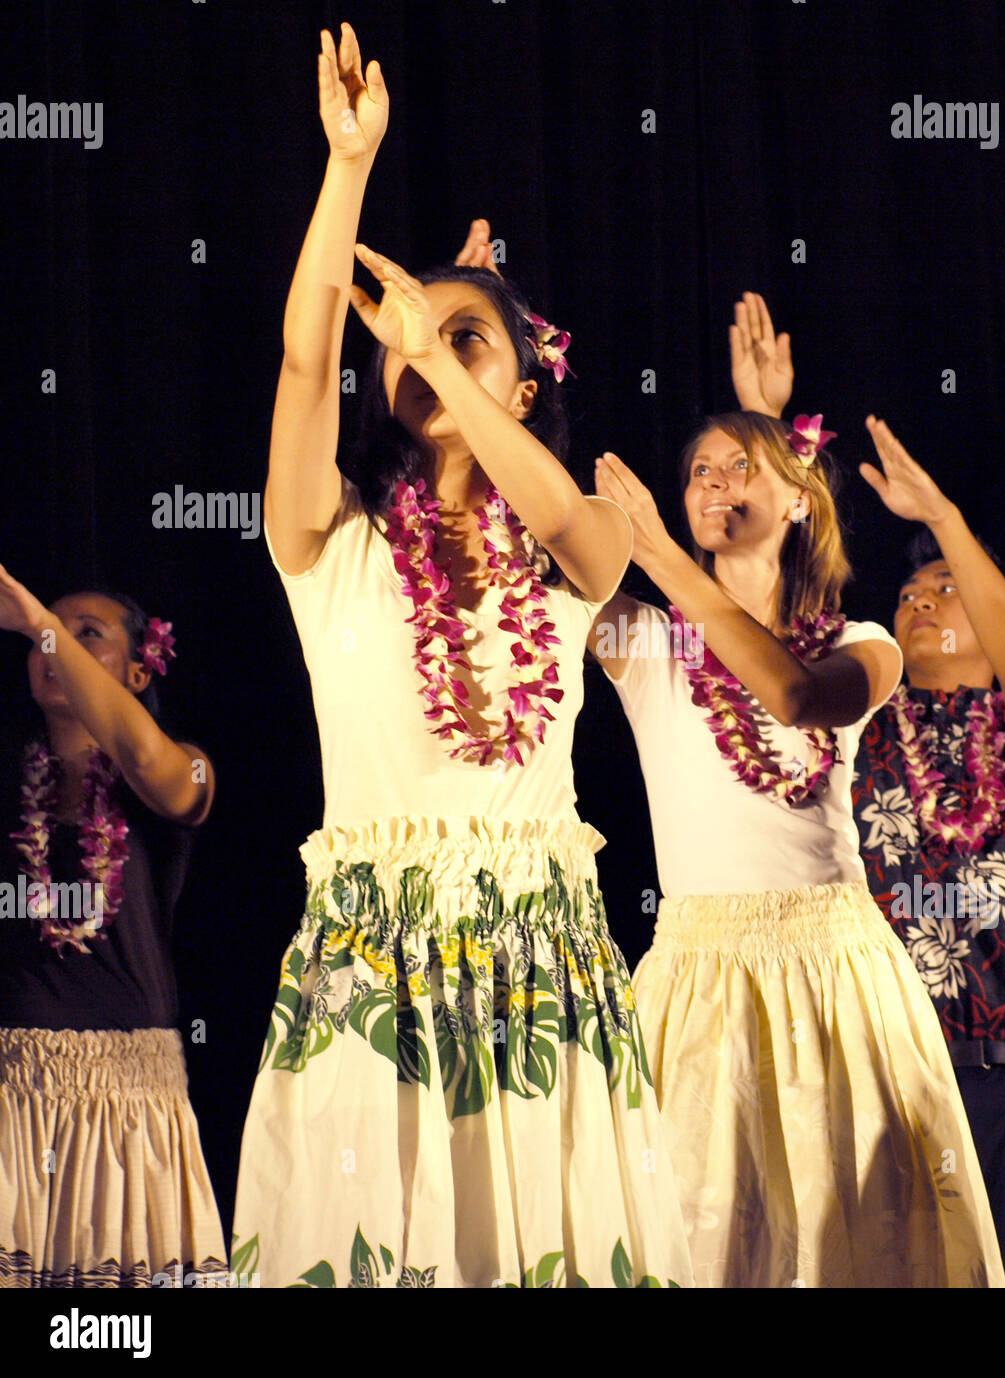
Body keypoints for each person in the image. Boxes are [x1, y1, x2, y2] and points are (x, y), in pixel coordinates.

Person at [230, 23, 690, 1289]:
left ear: (527, 385)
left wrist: (443, 342)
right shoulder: (330, 540)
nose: (420, 343)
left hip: (540, 957)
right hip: (374, 956)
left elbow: (589, 548)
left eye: (469, 337)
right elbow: (306, 352)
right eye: (409, 339)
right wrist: (347, 166)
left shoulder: (561, 546)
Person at [586, 293, 1005, 1287]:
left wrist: (666, 545)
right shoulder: (643, 641)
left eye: (743, 469)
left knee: (847, 1245)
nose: (712, 483)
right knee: (701, 1248)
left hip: (831, 969)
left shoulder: (867, 645)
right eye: (697, 470)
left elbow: (788, 690)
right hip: (697, 979)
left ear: (799, 500)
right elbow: (526, 535)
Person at [851, 416, 1005, 1287]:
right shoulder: (854, 732)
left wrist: (946, 520)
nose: (919, 601)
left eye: (946, 588)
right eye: (909, 592)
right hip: (883, 1073)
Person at [0, 570, 226, 1287]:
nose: (54, 646)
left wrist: (38, 620)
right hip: (13, 1097)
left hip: (131, 1105)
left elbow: (145, 758)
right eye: (47, 635)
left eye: (82, 635)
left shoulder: (181, 766)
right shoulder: (7, 774)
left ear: (138, 668)